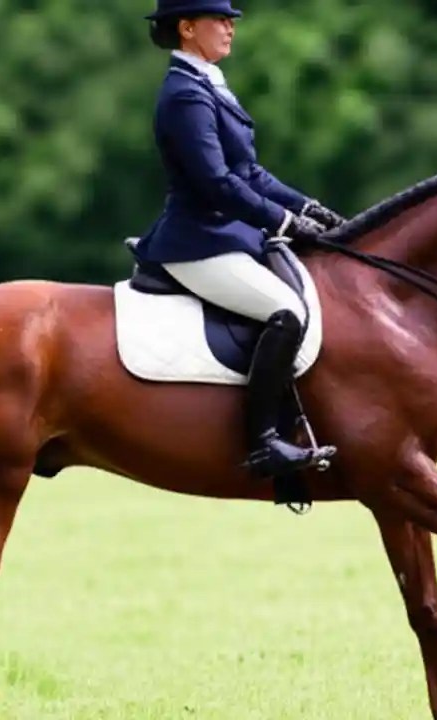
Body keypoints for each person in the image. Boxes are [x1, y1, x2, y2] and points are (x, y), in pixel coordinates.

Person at [133, 0, 346, 477]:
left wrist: (310, 208)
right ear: (188, 28)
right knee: (285, 313)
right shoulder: (185, 94)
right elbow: (216, 182)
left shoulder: (207, 83)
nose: (231, 27)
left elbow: (250, 172)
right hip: (198, 242)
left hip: (226, 235)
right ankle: (263, 442)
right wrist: (286, 223)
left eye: (231, 20)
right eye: (220, 20)